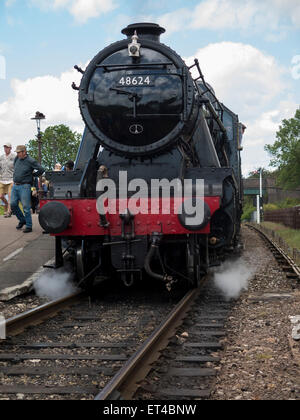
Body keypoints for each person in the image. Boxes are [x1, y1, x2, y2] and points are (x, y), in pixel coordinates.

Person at [11, 145, 45, 233]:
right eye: (17, 152)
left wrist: (33, 175)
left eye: (19, 152)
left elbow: (41, 169)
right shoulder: (16, 159)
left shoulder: (31, 160)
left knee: (26, 207)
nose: (17, 154)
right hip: (15, 185)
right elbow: (16, 168)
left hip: (25, 186)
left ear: (24, 152)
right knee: (13, 204)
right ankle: (22, 220)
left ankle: (29, 226)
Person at [0, 143, 15, 217]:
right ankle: (6, 204)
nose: (6, 149)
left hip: (11, 179)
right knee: (1, 196)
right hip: (2, 179)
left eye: (7, 147)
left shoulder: (14, 156)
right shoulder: (1, 157)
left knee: (10, 196)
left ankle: (9, 211)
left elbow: (17, 167)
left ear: (10, 148)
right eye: (5, 147)